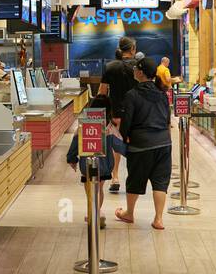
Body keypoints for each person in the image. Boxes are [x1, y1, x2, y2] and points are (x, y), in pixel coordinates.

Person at [114, 57, 173, 230]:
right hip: (163, 143)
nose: (133, 71)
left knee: (135, 179)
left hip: (141, 144)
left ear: (140, 72)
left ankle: (129, 213)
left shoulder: (133, 94)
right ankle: (158, 219)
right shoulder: (162, 94)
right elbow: (167, 120)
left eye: (135, 69)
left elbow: (126, 123)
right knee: (160, 181)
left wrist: (124, 138)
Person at [65, 95, 112, 228]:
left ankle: (95, 213)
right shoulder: (109, 126)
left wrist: (71, 159)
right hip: (104, 165)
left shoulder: (84, 124)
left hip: (87, 164)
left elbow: (75, 142)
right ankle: (96, 211)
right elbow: (117, 144)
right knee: (99, 188)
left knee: (91, 189)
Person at [99, 37, 137, 195]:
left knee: (116, 145)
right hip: (134, 112)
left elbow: (102, 92)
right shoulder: (137, 66)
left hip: (115, 113)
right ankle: (133, 178)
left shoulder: (110, 67)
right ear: (133, 49)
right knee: (134, 145)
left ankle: (115, 177)